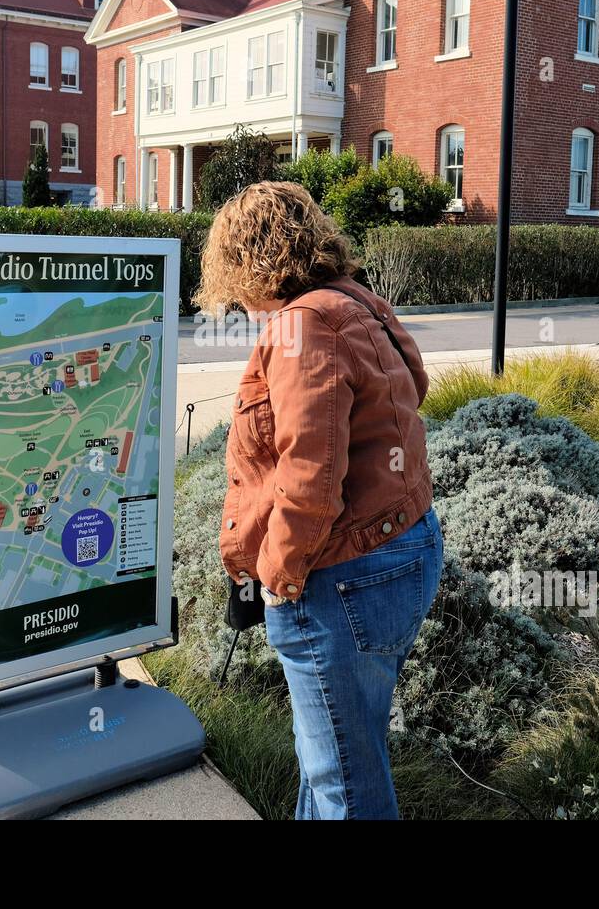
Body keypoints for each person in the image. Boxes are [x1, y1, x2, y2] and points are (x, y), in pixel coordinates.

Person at [196, 180, 442, 820]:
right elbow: (414, 384)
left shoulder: (300, 325)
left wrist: (277, 576)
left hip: (343, 576)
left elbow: (310, 472)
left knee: (343, 784)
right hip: (403, 548)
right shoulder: (355, 301)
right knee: (339, 750)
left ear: (245, 261)